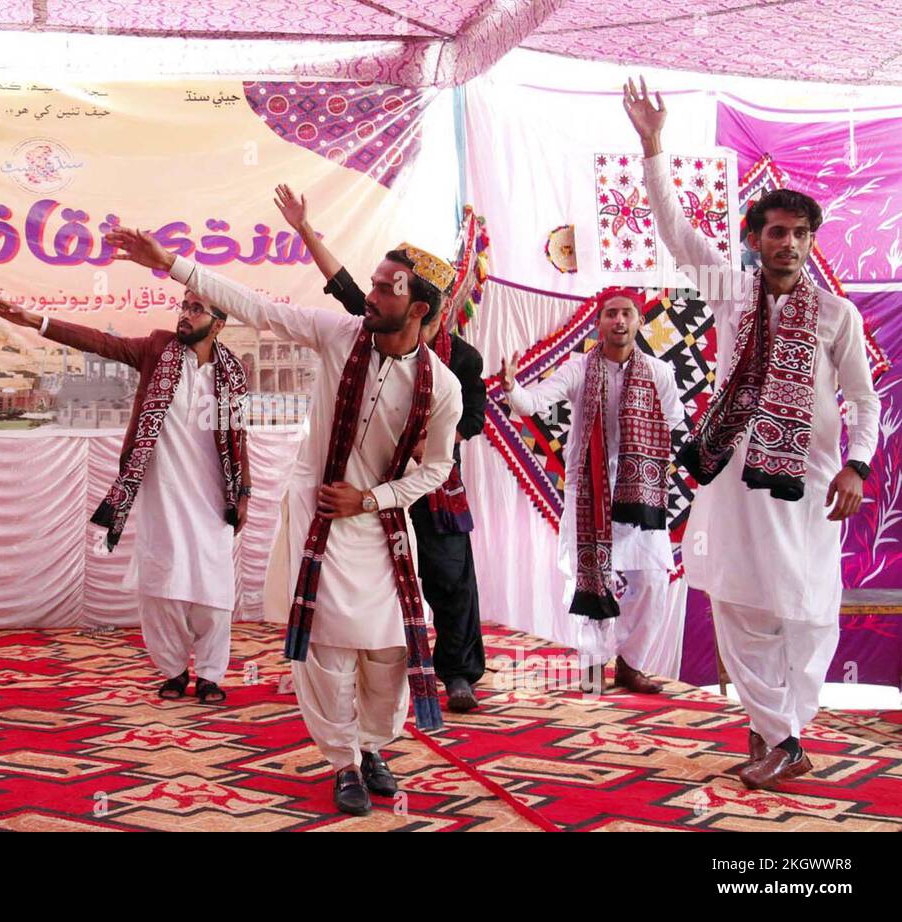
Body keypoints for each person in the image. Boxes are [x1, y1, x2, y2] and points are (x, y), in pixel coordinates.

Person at [105, 225, 462, 817]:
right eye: (370, 283)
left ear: (417, 306)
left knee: (390, 650)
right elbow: (258, 307)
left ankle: (374, 745)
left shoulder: (441, 386)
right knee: (325, 647)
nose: (367, 294)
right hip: (319, 518)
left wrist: (372, 499)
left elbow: (437, 469)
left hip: (381, 526)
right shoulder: (339, 335)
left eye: (382, 287)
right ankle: (344, 761)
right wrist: (172, 263)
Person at [626, 77, 880, 789]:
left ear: (810, 241)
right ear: (754, 239)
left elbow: (862, 400)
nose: (789, 244)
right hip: (736, 474)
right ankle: (778, 735)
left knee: (804, 606)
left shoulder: (838, 315)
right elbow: (677, 232)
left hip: (810, 479)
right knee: (737, 597)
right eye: (777, 232)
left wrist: (857, 466)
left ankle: (784, 730)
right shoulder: (732, 289)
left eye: (801, 234)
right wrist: (653, 148)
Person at [273, 185, 488, 711]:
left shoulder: (459, 362)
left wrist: (420, 439)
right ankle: (348, 678)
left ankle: (458, 673)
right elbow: (341, 282)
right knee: (369, 588)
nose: (375, 296)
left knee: (449, 574)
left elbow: (468, 424)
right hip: (367, 485)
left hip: (428, 484)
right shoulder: (374, 328)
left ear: (429, 306)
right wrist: (303, 229)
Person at [0, 290, 249, 704]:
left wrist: (246, 491)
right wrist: (36, 321)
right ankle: (174, 671)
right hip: (160, 493)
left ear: (218, 324)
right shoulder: (157, 348)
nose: (185, 314)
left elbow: (239, 435)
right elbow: (100, 342)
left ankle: (212, 675)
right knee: (160, 586)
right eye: (183, 306)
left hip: (213, 495)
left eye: (196, 308)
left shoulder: (232, 371)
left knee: (213, 590)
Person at [501, 288, 687, 694]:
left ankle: (630, 664)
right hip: (591, 495)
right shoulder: (578, 369)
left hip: (642, 496)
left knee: (654, 580)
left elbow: (676, 423)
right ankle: (593, 664)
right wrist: (512, 386)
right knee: (591, 579)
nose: (619, 321)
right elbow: (532, 404)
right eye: (610, 314)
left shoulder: (658, 372)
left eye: (626, 314)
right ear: (598, 323)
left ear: (639, 321)